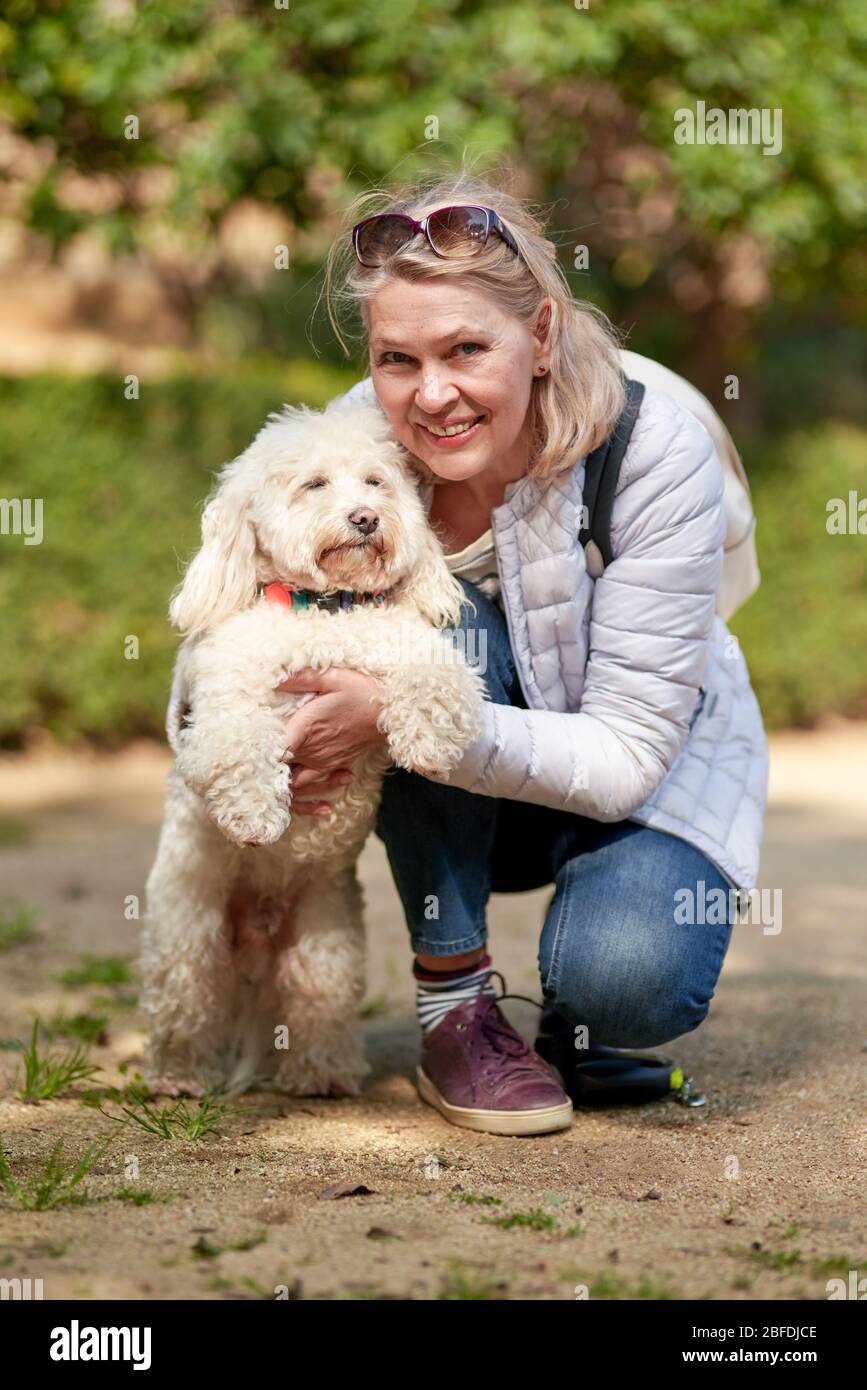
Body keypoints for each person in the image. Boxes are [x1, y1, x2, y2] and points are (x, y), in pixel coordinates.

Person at [276, 173, 769, 1135]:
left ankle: (576, 1024)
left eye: (467, 348)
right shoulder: (356, 441)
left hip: (641, 762)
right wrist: (241, 733)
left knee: (625, 983)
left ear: (540, 335)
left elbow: (628, 753)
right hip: (461, 805)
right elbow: (238, 585)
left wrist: (392, 715)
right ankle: (454, 1005)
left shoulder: (653, 442)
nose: (432, 394)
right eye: (396, 359)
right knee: (430, 624)